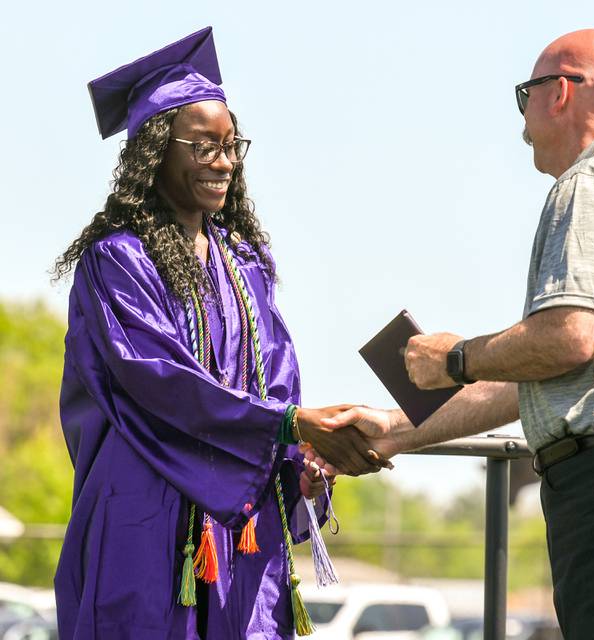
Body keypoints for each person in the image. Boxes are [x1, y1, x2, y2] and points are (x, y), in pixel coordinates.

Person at [317, 29, 594, 639]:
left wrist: (454, 356)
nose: (522, 120)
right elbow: (553, 378)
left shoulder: (592, 184)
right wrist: (400, 428)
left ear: (560, 91)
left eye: (525, 95)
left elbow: (570, 336)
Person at [52, 27, 388, 640]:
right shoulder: (117, 261)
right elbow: (159, 383)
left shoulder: (244, 264)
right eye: (204, 146)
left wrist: (299, 463)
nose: (225, 162)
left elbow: (279, 383)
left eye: (233, 146)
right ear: (156, 151)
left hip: (241, 523)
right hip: (146, 509)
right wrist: (285, 426)